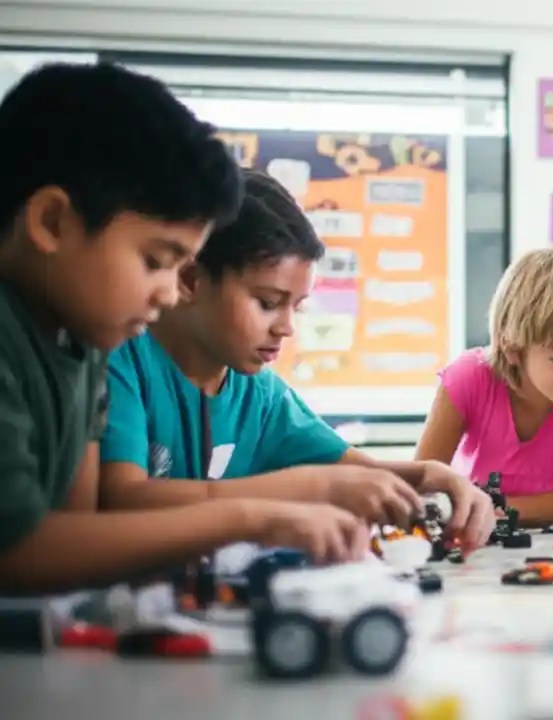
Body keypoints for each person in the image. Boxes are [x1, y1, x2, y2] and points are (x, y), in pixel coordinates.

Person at [0, 62, 365, 594]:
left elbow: (78, 541)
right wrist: (252, 517)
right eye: (156, 261)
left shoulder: (84, 341)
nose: (171, 293)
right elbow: (19, 551)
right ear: (52, 222)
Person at [99, 169, 496, 552]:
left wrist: (428, 475)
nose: (286, 328)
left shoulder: (260, 394)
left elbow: (354, 471)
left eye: (297, 307)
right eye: (268, 303)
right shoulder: (119, 358)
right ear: (189, 280)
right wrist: (314, 488)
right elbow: (123, 498)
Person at [415, 246, 553, 525]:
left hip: (547, 543)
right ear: (513, 349)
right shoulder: (467, 378)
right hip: (473, 538)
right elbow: (420, 486)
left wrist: (486, 508)